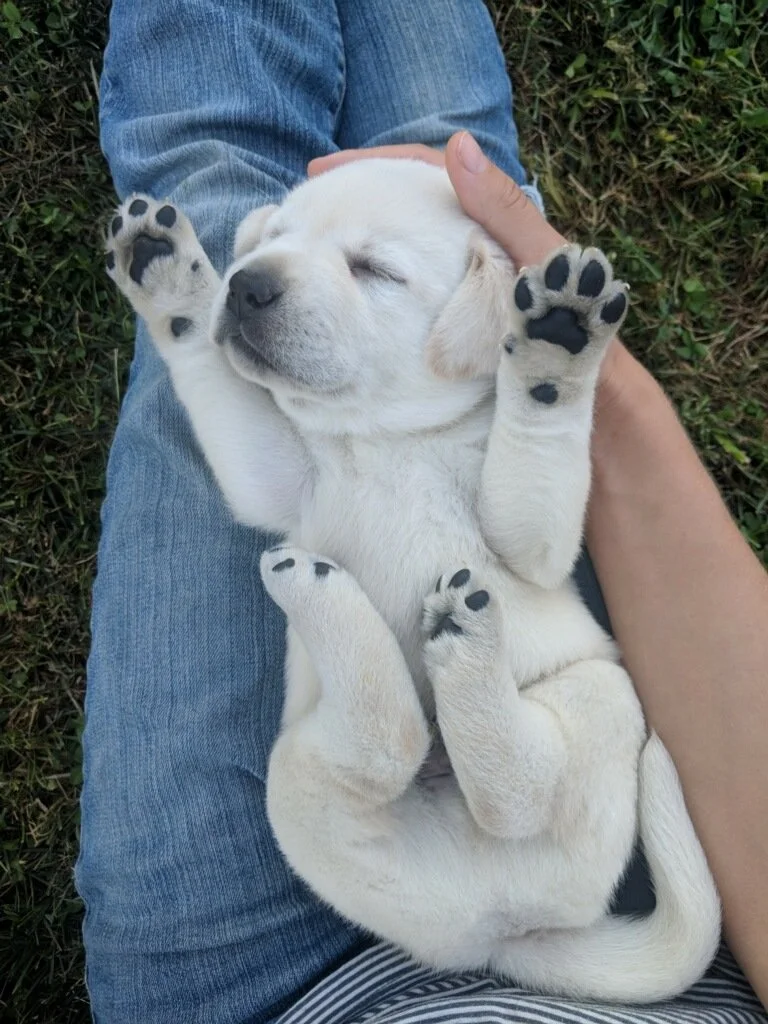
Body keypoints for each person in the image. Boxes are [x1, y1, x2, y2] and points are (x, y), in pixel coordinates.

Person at [76, 1, 768, 1021]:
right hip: (540, 874)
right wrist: (196, 327)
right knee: (451, 166)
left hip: (327, 942)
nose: (261, 276)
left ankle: (409, 735)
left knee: (214, 173)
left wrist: (542, 401)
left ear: (484, 315)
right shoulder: (380, 412)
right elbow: (508, 541)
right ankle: (430, 725)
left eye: (371, 271)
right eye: (281, 246)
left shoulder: (476, 369)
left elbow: (522, 535)